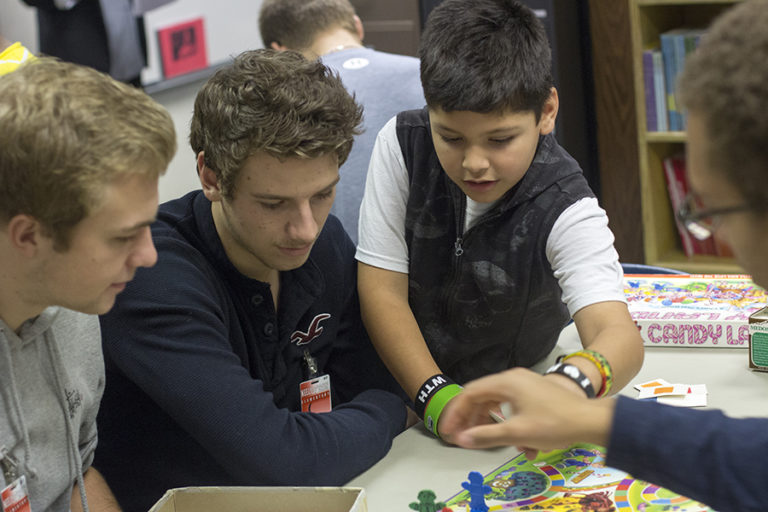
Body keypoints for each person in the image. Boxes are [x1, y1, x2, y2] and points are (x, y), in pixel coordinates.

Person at [439, 2, 768, 511]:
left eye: (710, 206)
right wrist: (592, 416)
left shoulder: (563, 199)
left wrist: (590, 414)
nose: (726, 245)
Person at [94, 49, 413, 512]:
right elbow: (284, 463)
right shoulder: (151, 276)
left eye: (323, 194)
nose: (305, 228)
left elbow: (372, 385)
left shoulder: (322, 246)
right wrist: (391, 414)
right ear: (211, 176)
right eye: (272, 204)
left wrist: (375, 410)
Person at [356, 0, 644, 438]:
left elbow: (617, 336)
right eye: (450, 137)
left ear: (547, 112)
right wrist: (435, 397)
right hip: (406, 393)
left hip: (513, 401)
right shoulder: (401, 145)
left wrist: (570, 385)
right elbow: (381, 291)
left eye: (500, 139)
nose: (474, 163)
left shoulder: (565, 204)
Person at [0, 57, 176, 512]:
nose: (148, 256)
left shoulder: (75, 301)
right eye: (122, 236)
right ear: (28, 236)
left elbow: (75, 473)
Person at [259, 0, 424, 243]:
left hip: (340, 265)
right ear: (358, 26)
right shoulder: (426, 75)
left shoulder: (280, 102)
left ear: (279, 52)